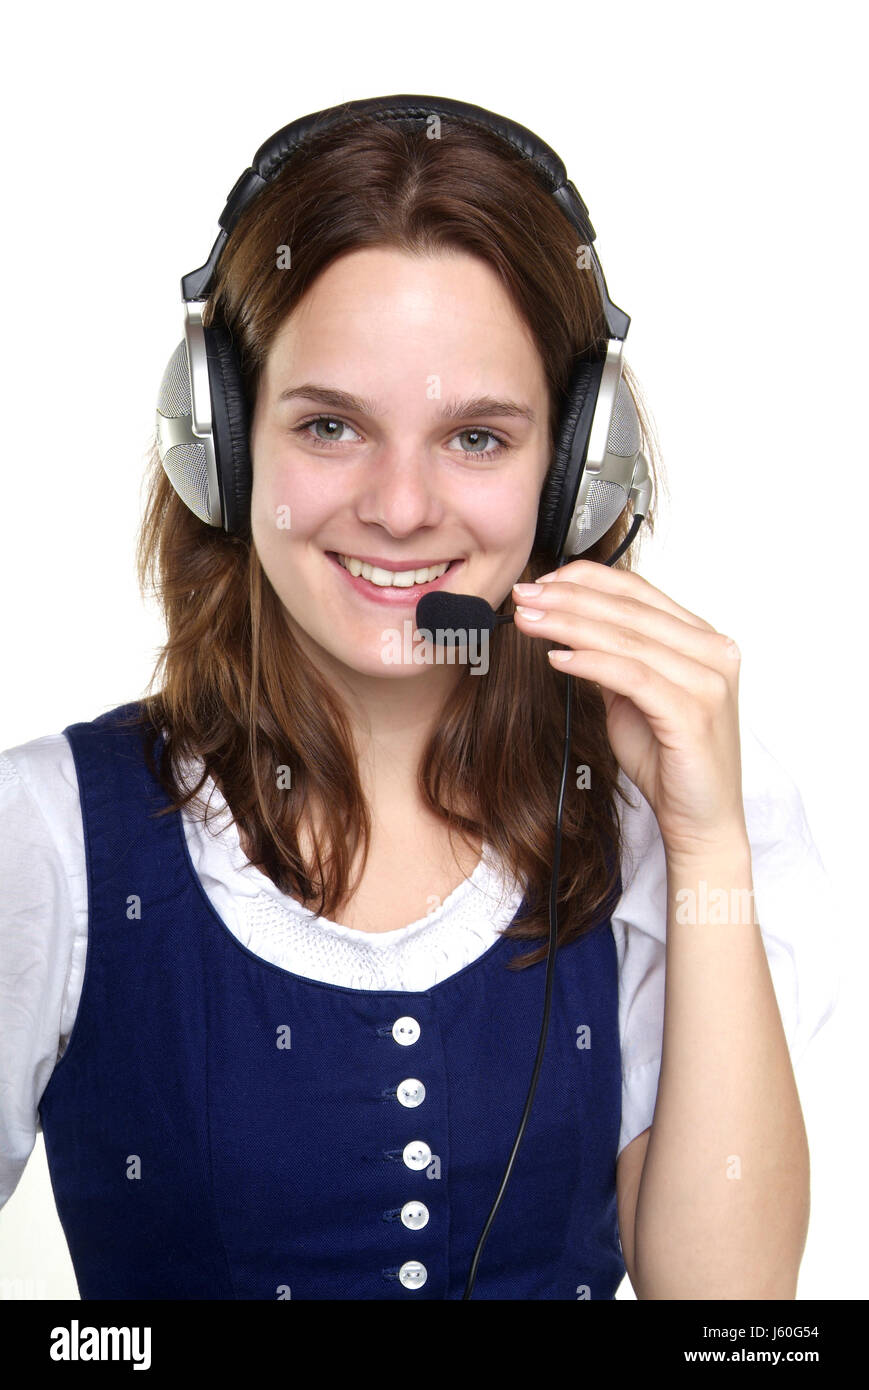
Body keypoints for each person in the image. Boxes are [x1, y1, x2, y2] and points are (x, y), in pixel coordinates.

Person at [0, 96, 838, 1301]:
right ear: (219, 445)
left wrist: (704, 837)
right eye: (331, 424)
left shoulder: (666, 821)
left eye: (477, 438)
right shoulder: (49, 837)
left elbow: (729, 1325)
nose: (399, 508)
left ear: (573, 477)